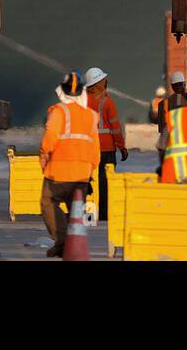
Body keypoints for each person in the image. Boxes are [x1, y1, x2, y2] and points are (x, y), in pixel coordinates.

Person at [39, 70, 100, 257]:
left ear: (62, 90)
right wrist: (91, 168)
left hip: (59, 172)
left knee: (48, 201)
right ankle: (71, 243)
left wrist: (43, 155)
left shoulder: (58, 112)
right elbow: (95, 147)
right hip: (82, 174)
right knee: (75, 209)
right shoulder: (91, 116)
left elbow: (50, 137)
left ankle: (63, 240)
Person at [85, 67, 127, 221]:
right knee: (105, 183)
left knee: (88, 183)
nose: (106, 81)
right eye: (103, 80)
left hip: (88, 149)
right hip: (107, 149)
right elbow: (115, 128)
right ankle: (103, 215)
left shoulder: (82, 102)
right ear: (97, 84)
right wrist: (122, 147)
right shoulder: (108, 102)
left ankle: (88, 216)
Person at [157, 72, 187, 166]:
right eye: (178, 85)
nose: (179, 88)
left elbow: (162, 132)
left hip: (176, 148)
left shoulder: (163, 104)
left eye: (180, 85)